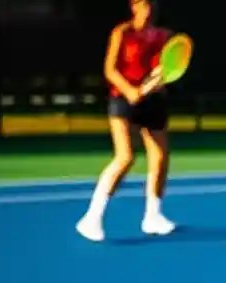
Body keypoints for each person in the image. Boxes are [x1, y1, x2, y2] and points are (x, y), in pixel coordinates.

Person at [76, 0, 177, 242]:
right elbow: (110, 70)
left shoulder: (165, 36)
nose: (149, 8)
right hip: (122, 100)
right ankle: (91, 218)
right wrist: (130, 91)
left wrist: (155, 84)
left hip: (152, 102)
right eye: (143, 3)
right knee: (125, 157)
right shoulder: (122, 32)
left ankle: (152, 216)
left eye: (152, 3)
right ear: (133, 6)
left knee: (160, 156)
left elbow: (162, 69)